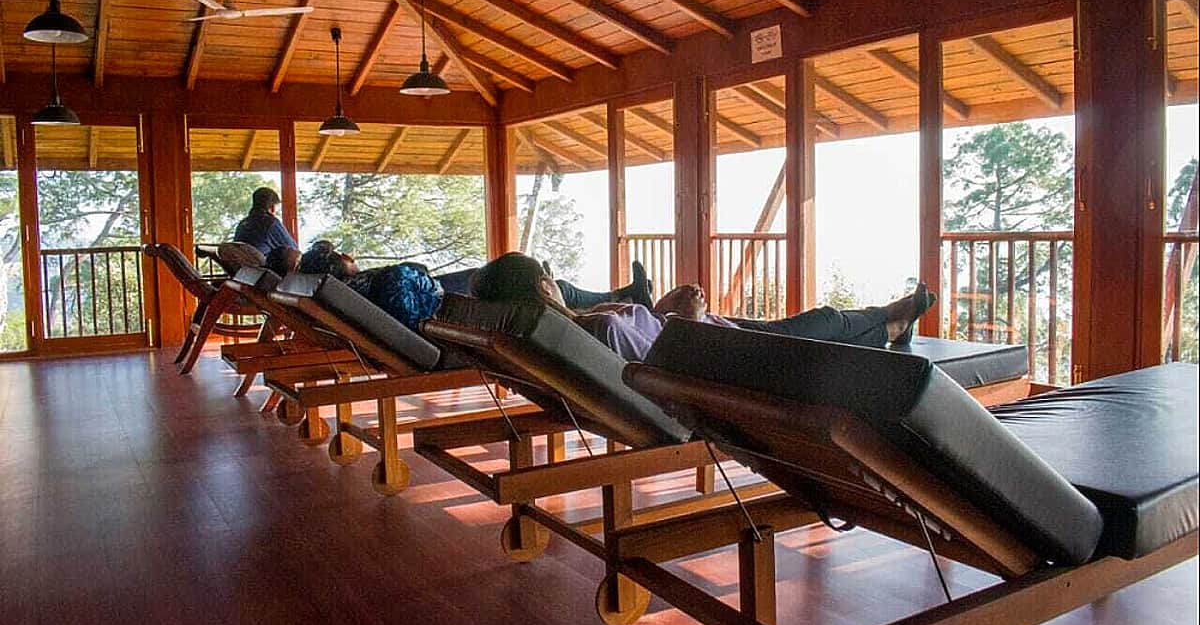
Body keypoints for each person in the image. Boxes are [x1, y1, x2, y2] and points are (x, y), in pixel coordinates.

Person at [470, 251, 936, 362]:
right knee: (824, 321)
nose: (555, 281)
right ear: (542, 289)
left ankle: (892, 328)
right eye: (546, 277)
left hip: (716, 331)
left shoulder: (577, 327)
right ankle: (893, 316)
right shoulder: (600, 333)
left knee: (822, 325)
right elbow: (670, 360)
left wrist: (664, 308)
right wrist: (682, 317)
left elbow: (651, 335)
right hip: (726, 353)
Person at [295, 243, 651, 332]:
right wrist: (409, 270)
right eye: (341, 255)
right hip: (444, 308)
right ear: (334, 266)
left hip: (439, 303)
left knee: (552, 286)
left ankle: (621, 295)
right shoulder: (359, 283)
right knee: (547, 287)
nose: (348, 254)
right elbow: (402, 292)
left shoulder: (346, 289)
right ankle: (622, 297)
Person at [232, 187, 298, 256]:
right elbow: (294, 251)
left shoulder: (242, 224)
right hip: (263, 265)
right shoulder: (270, 223)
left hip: (242, 266)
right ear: (272, 207)